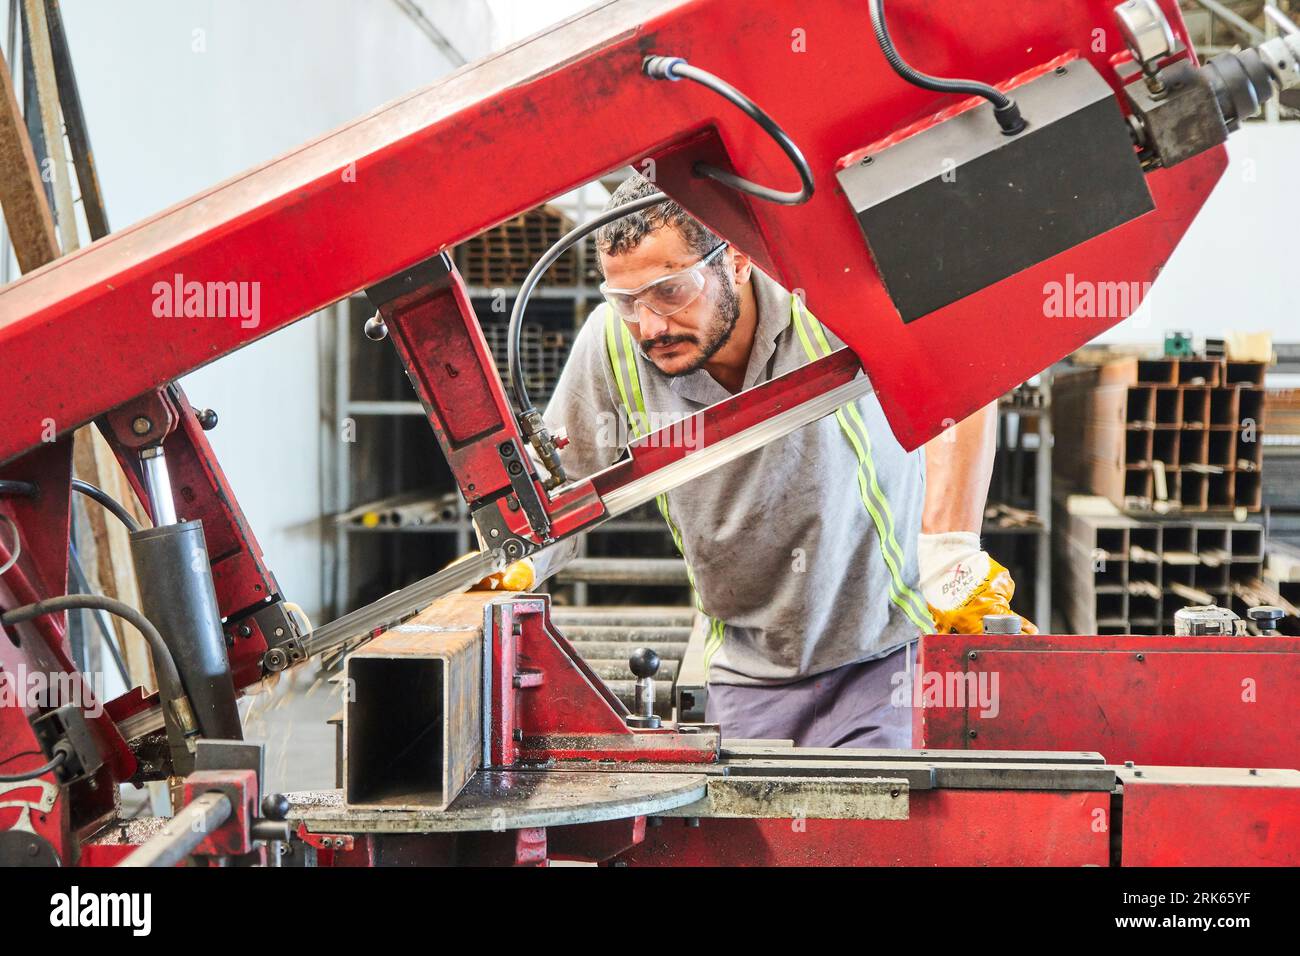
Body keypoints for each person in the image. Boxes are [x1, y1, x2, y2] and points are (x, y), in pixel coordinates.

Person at [479, 173, 1033, 748]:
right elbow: (559, 494)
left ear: (737, 260)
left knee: (873, 830)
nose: (650, 326)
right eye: (626, 301)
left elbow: (964, 378)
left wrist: (948, 550)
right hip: (748, 670)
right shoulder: (613, 343)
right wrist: (511, 565)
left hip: (884, 652)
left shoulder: (826, 299)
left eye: (671, 291)